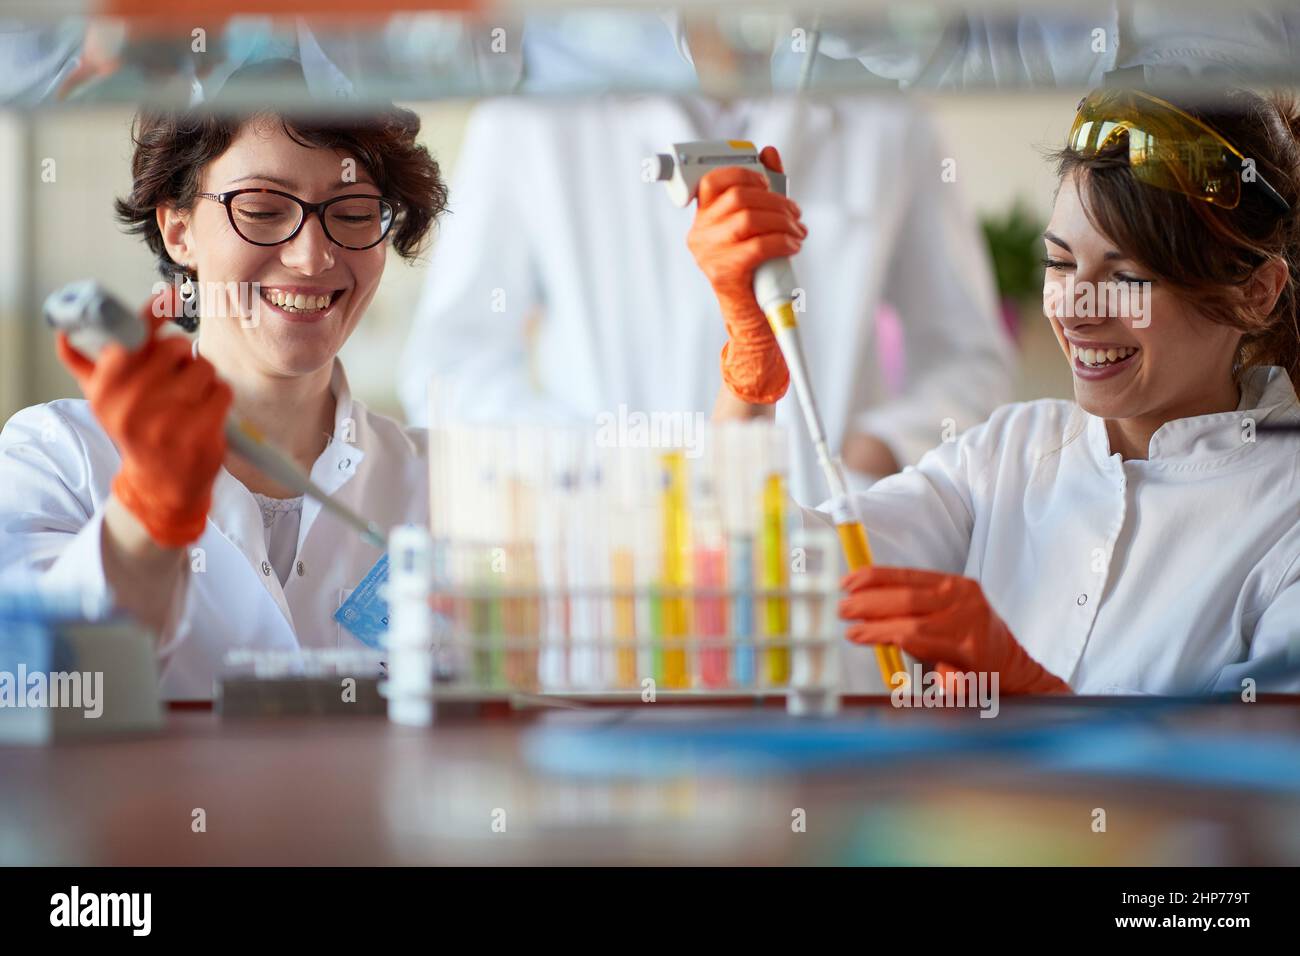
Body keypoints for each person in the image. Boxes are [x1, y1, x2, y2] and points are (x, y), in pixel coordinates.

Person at [693, 87, 1300, 694]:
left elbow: (1260, 775)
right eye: (1061, 264)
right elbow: (776, 575)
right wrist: (751, 361)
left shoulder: (1284, 514)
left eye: (1128, 277)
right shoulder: (1008, 452)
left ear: (1256, 292)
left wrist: (1030, 694)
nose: (1074, 309)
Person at [0, 78, 447, 700]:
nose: (312, 257)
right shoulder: (57, 457)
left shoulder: (446, 484)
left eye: (352, 213)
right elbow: (29, 697)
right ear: (178, 229)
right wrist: (146, 513)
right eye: (263, 210)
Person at [396, 92, 1014, 505]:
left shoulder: (883, 109)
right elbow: (449, 367)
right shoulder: (531, 114)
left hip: (819, 540)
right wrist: (603, 470)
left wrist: (880, 450)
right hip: (618, 557)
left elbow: (969, 358)